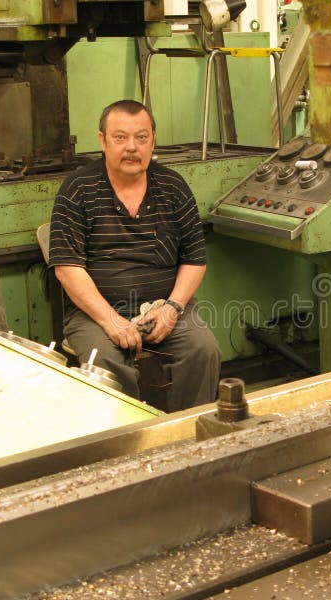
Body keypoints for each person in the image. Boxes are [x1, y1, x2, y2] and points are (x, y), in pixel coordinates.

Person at [48, 99, 220, 412]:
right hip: (96, 313)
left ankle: (188, 431)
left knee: (203, 350)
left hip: (163, 305)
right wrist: (111, 320)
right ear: (102, 141)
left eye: (141, 138)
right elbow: (67, 267)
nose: (131, 147)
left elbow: (194, 259)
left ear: (153, 140)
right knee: (103, 362)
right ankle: (130, 435)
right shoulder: (78, 189)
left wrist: (172, 308)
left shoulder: (173, 186)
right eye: (120, 137)